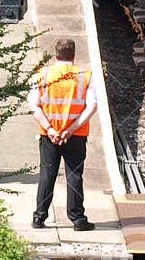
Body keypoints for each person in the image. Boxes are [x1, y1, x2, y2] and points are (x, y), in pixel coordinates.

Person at [28, 38, 96, 231]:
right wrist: (70, 130)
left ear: (56, 54)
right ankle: (77, 219)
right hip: (76, 135)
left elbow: (34, 105)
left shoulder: (43, 74)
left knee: (47, 174)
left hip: (48, 135)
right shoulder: (84, 76)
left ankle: (39, 218)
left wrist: (50, 130)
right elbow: (92, 106)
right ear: (73, 55)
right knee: (74, 175)